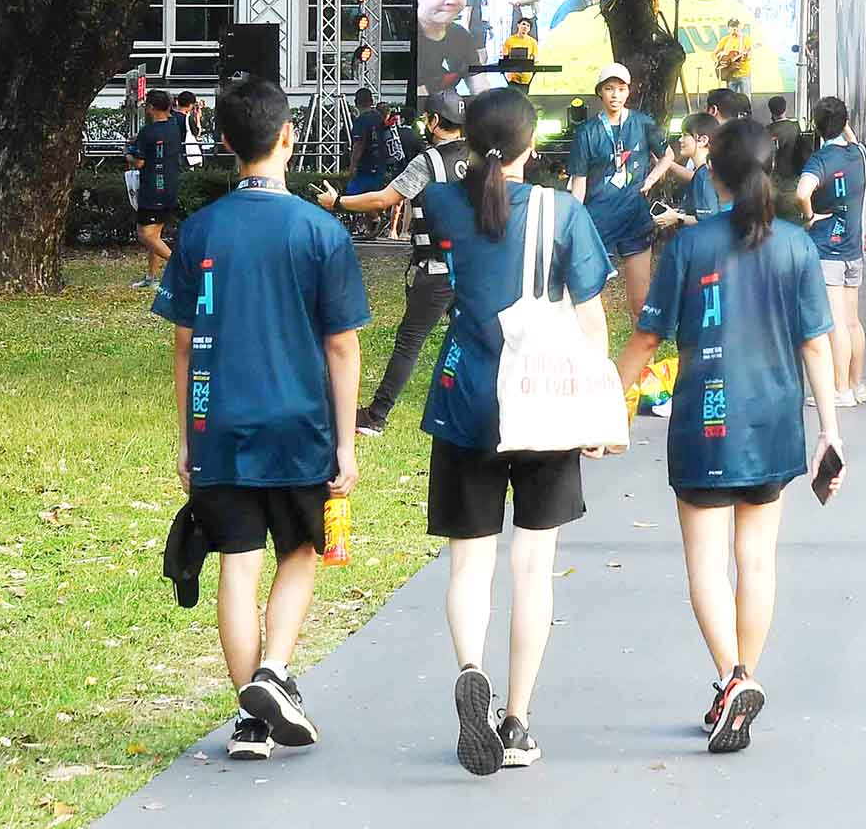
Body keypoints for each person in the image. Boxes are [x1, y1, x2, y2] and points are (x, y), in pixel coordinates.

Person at [153, 73, 368, 762]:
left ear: (221, 141)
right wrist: (347, 444)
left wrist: (188, 437)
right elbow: (341, 345)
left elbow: (183, 343)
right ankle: (273, 673)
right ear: (288, 137)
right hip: (298, 426)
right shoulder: (321, 232)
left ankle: (251, 719)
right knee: (299, 552)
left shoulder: (199, 230)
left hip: (220, 427)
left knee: (236, 567)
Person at [616, 118, 843, 755]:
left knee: (706, 564)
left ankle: (731, 677)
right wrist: (830, 430)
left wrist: (608, 401)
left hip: (705, 421)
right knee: (757, 561)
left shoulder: (691, 246)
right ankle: (740, 682)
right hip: (774, 422)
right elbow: (817, 347)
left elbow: (645, 338)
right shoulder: (797, 246)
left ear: (711, 166)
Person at [417, 89, 614, 776]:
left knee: (470, 562)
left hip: (467, 399)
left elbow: (439, 190)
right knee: (533, 566)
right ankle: (518, 721)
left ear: (468, 142)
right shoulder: (565, 212)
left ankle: (471, 669)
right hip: (545, 404)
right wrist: (599, 407)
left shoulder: (444, 205)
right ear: (537, 144)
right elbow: (590, 319)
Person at [323, 92, 468, 436]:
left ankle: (377, 415)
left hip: (434, 270)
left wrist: (337, 202)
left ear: (433, 122)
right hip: (473, 267)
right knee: (472, 338)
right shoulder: (481, 159)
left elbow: (384, 198)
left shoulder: (428, 162)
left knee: (409, 343)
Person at [567, 63, 675, 324]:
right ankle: (590, 359)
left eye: (621, 89)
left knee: (640, 301)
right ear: (600, 93)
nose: (615, 95)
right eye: (609, 89)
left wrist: (650, 179)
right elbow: (578, 182)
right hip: (596, 222)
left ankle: (643, 364)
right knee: (588, 300)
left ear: (628, 92)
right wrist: (570, 222)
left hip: (634, 218)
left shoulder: (643, 123)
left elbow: (668, 155)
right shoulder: (587, 132)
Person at [795, 99, 866, 407]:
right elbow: (851, 139)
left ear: (815, 125)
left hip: (828, 248)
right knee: (852, 321)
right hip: (853, 247)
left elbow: (802, 192)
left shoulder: (819, 160)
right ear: (846, 122)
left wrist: (810, 215)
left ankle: (839, 390)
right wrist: (844, 124)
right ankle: (856, 384)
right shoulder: (858, 155)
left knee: (835, 321)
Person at [129, 93, 192, 288]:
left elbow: (138, 162)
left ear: (151, 107)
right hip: (171, 186)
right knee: (155, 236)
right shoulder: (175, 126)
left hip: (153, 188)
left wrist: (128, 154)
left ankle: (183, 269)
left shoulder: (148, 132)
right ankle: (151, 278)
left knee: (145, 234)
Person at [414, 0, 484, 99]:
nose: (452, 0)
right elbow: (421, 101)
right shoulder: (411, 38)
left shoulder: (461, 36)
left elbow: (480, 87)